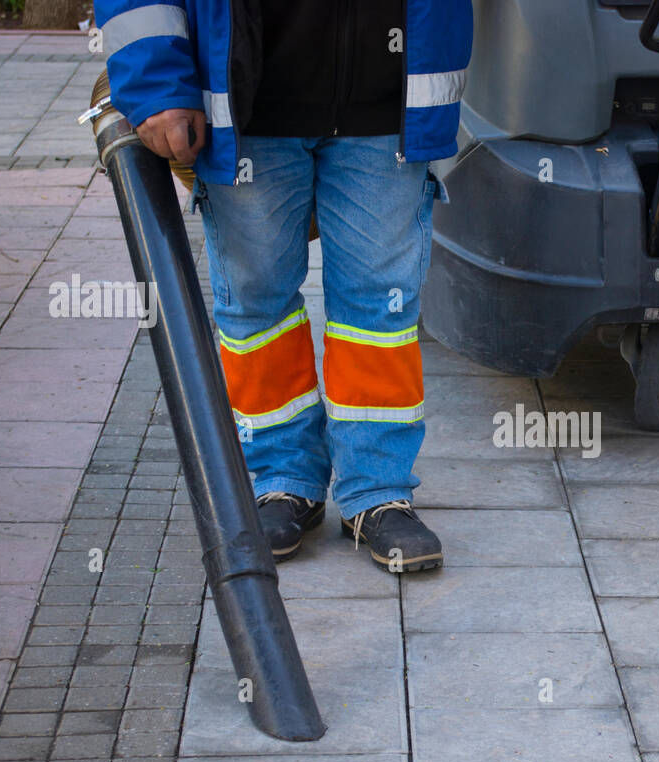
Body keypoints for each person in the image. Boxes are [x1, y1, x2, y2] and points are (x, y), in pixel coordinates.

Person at [94, 0, 473, 571]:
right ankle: (283, 479)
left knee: (382, 307)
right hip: (250, 105)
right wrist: (156, 82)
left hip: (390, 98)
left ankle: (377, 492)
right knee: (255, 304)